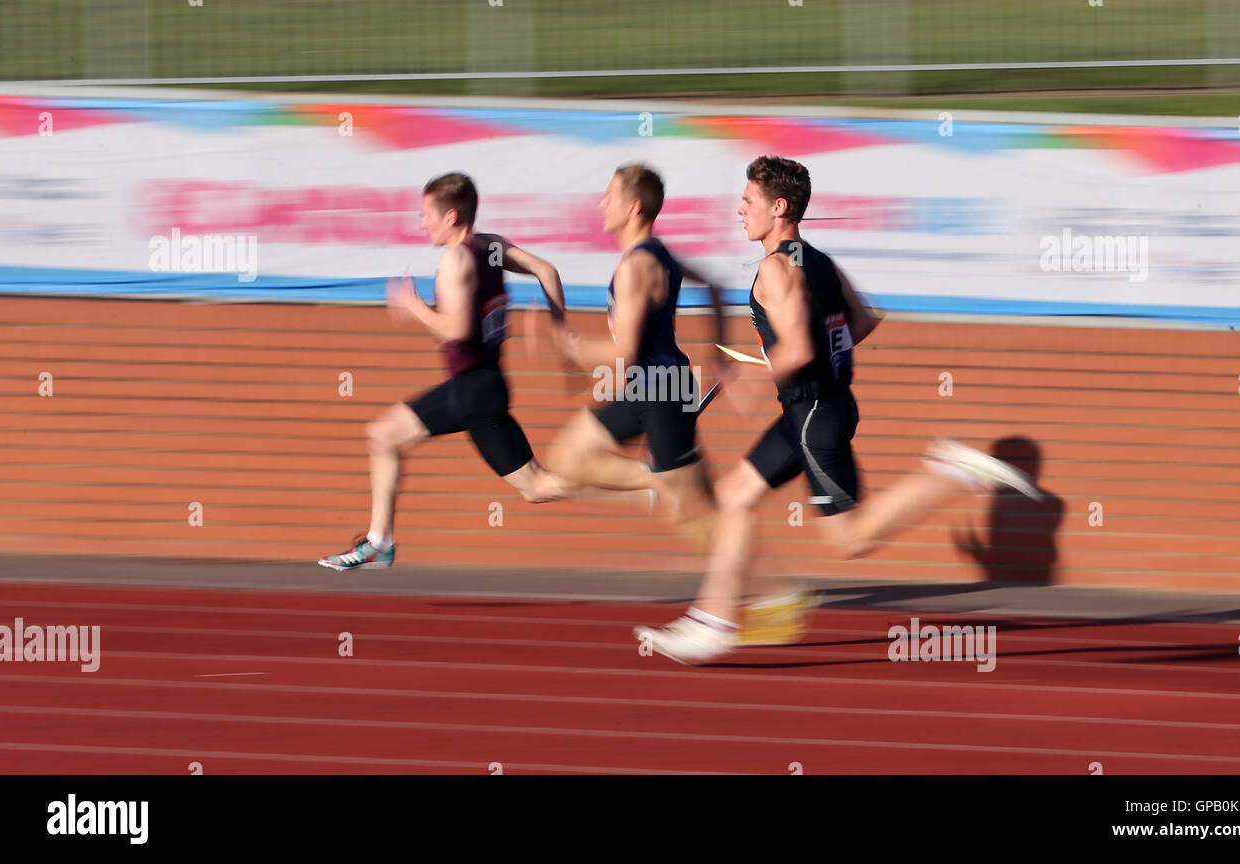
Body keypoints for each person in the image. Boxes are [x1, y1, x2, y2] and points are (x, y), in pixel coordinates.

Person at [634, 155, 1040, 663]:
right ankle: (715, 620)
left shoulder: (774, 268)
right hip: (818, 408)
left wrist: (755, 371)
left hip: (811, 416)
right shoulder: (817, 260)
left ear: (778, 207)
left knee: (850, 537)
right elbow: (864, 320)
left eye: (748, 201)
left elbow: (801, 351)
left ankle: (947, 473)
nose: (739, 209)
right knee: (735, 497)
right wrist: (805, 362)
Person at [319, 172, 568, 570]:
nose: (422, 223)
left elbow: (457, 329)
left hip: (473, 389)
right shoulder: (491, 247)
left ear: (450, 216)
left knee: (385, 436)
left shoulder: (455, 259)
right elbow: (547, 270)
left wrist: (415, 306)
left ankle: (380, 542)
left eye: (426, 214)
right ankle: (643, 480)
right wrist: (562, 334)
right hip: (485, 385)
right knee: (534, 486)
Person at [546, 164, 728, 551]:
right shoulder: (656, 254)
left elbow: (625, 353)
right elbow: (714, 286)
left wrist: (572, 345)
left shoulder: (636, 267)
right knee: (568, 456)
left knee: (699, 519)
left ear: (633, 207)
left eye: (609, 197)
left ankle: (763, 592)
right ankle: (656, 478)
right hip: (649, 389)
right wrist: (718, 357)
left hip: (663, 393)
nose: (601, 203)